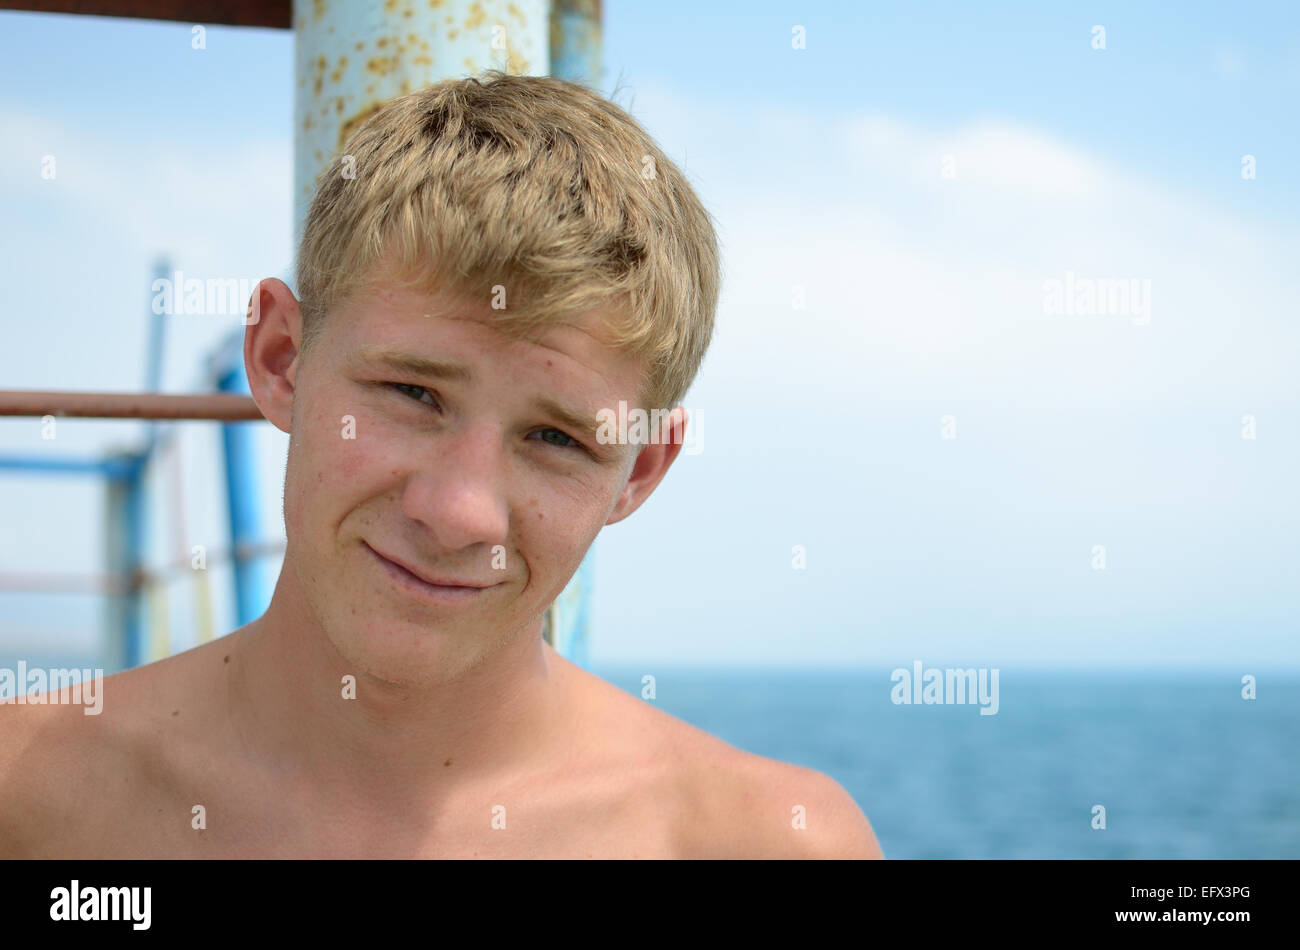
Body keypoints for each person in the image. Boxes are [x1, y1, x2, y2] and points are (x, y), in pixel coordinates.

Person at [0, 71, 883, 859]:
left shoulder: (762, 843)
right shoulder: (26, 792)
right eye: (410, 393)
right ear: (279, 360)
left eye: (558, 440)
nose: (458, 512)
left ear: (641, 471)